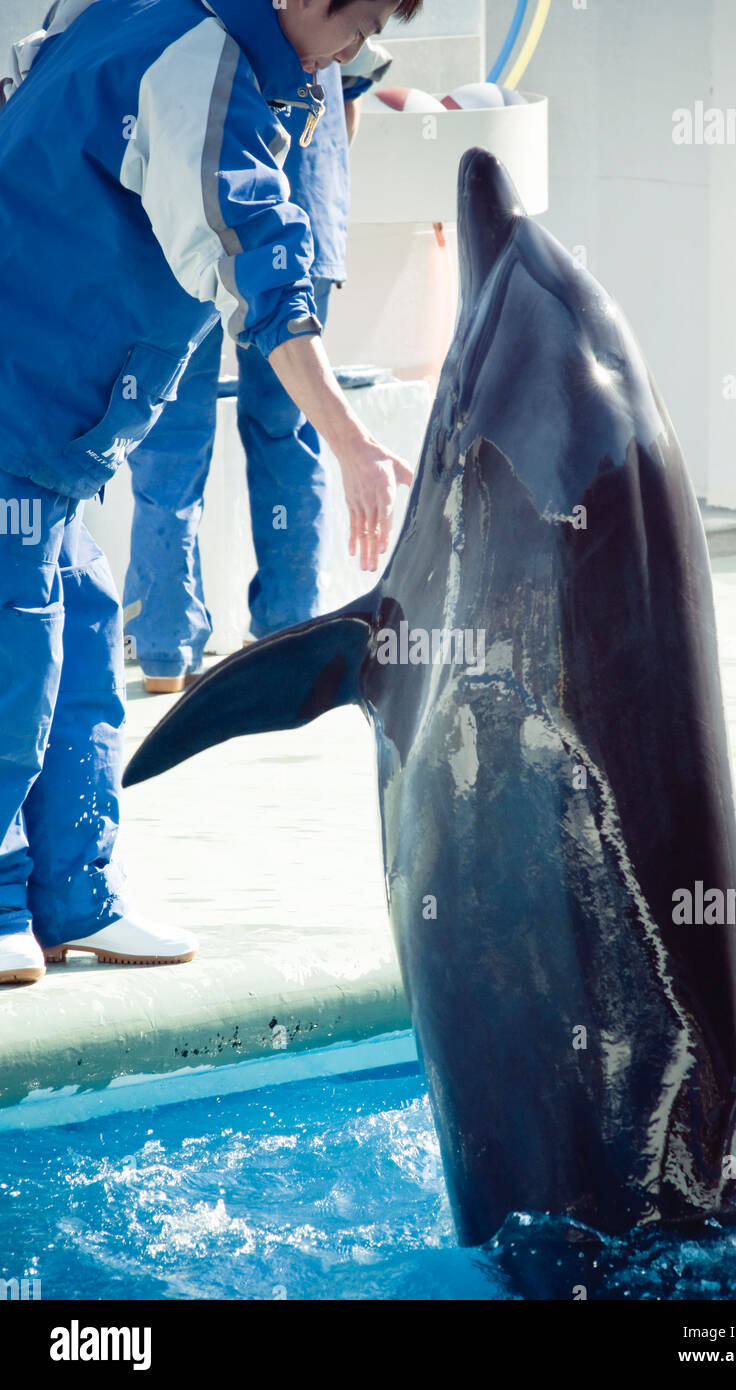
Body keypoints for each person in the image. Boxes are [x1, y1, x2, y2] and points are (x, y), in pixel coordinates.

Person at [0, 0, 421, 986]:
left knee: (80, 628)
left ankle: (72, 896)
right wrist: (352, 440)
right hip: (19, 399)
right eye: (356, 28)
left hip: (56, 429)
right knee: (13, 649)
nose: (354, 55)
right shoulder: (200, 66)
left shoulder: (190, 28)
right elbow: (258, 256)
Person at [124, 43, 390, 692]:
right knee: (286, 433)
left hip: (192, 245)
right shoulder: (335, 32)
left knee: (170, 440)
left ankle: (166, 649)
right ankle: (288, 632)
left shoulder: (197, 22)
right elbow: (346, 116)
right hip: (302, 232)